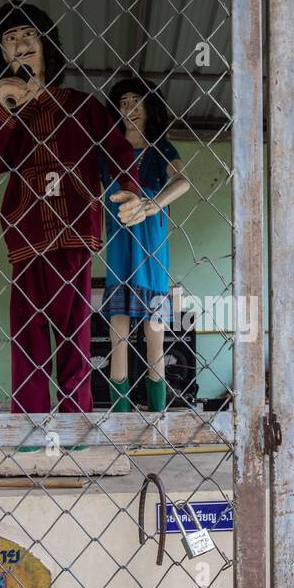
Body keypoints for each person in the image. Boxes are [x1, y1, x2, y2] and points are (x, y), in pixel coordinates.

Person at [0, 1, 147, 429]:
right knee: (26, 340)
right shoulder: (3, 112)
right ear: (1, 56)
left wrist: (130, 190)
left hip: (74, 232)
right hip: (24, 236)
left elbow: (118, 150)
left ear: (47, 47)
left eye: (28, 35)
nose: (20, 44)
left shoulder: (82, 105)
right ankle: (27, 431)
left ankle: (74, 430)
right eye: (9, 40)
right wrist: (4, 113)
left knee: (73, 338)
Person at [100, 77, 191, 413]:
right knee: (118, 334)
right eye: (122, 102)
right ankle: (120, 417)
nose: (129, 109)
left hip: (152, 241)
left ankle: (157, 415)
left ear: (150, 107)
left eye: (136, 101)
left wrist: (153, 203)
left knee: (156, 334)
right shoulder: (106, 151)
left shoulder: (160, 148)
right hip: (119, 240)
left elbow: (183, 180)